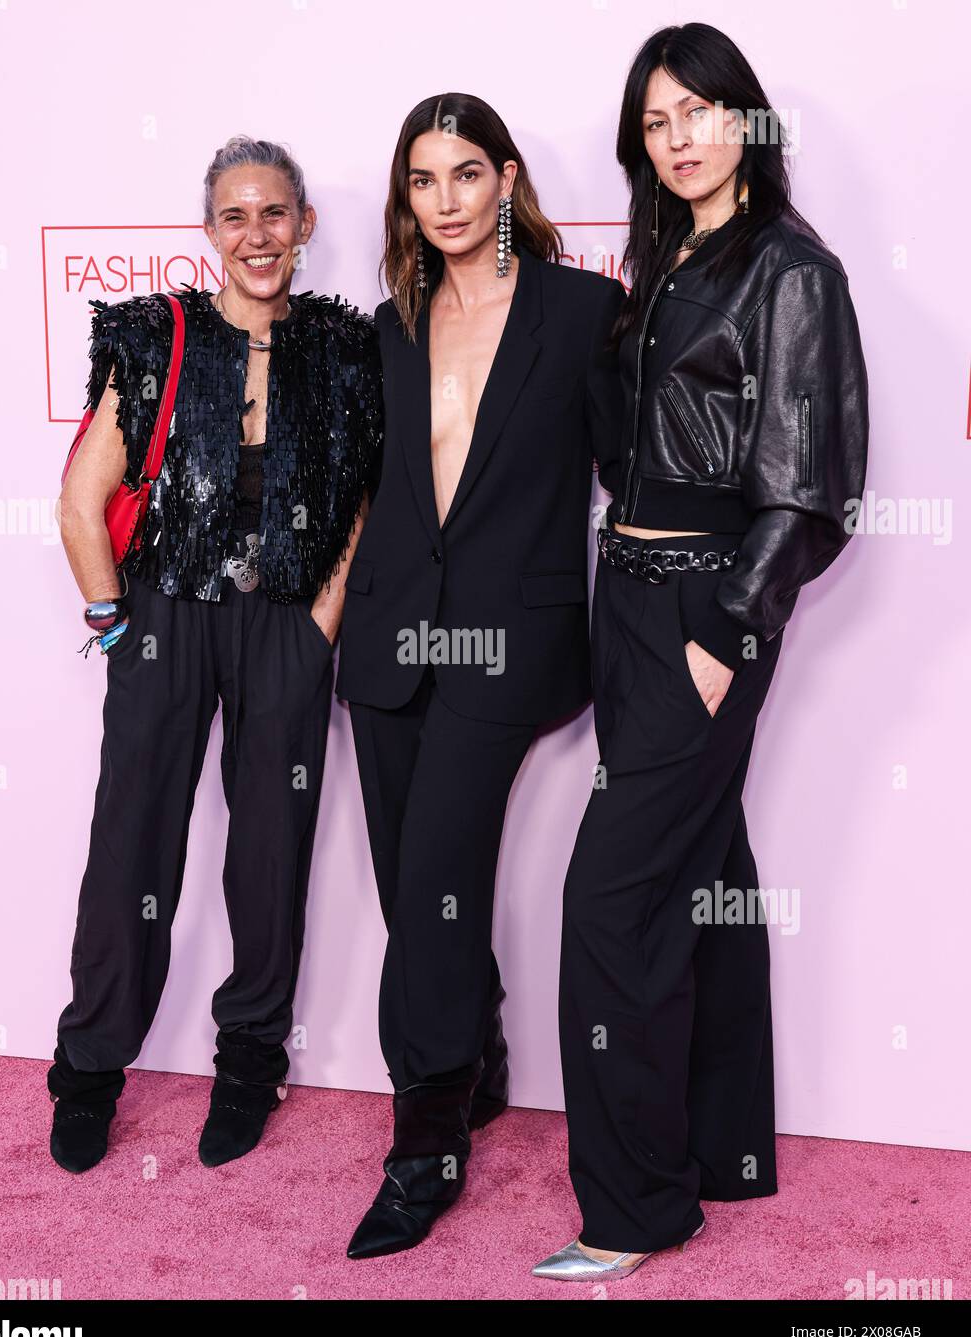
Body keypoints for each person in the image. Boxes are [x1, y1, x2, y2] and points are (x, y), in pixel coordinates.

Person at [534, 23, 869, 1279]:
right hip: (622, 596)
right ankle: (724, 1149)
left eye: (700, 112)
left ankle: (631, 1207)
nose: (677, 140)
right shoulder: (666, 261)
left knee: (609, 904)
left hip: (701, 612)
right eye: (655, 121)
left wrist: (725, 635)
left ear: (750, 121)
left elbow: (813, 489)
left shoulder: (790, 271)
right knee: (705, 875)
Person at [47, 135, 382, 1174]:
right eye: (234, 217)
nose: (256, 235)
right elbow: (78, 501)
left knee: (270, 844)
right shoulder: (154, 336)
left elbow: (363, 492)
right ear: (209, 233)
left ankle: (248, 1059)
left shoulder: (340, 349)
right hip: (164, 612)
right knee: (130, 841)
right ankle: (91, 1067)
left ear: (304, 226)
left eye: (273, 213)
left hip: (283, 617)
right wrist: (115, 625)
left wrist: (323, 613)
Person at [335, 93, 626, 1258]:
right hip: (389, 633)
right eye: (422, 180)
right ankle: (484, 1052)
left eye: (465, 175)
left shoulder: (580, 309)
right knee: (413, 887)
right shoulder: (390, 319)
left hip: (507, 642)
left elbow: (633, 472)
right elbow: (380, 486)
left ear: (505, 179)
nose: (445, 201)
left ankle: (425, 1145)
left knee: (437, 876)